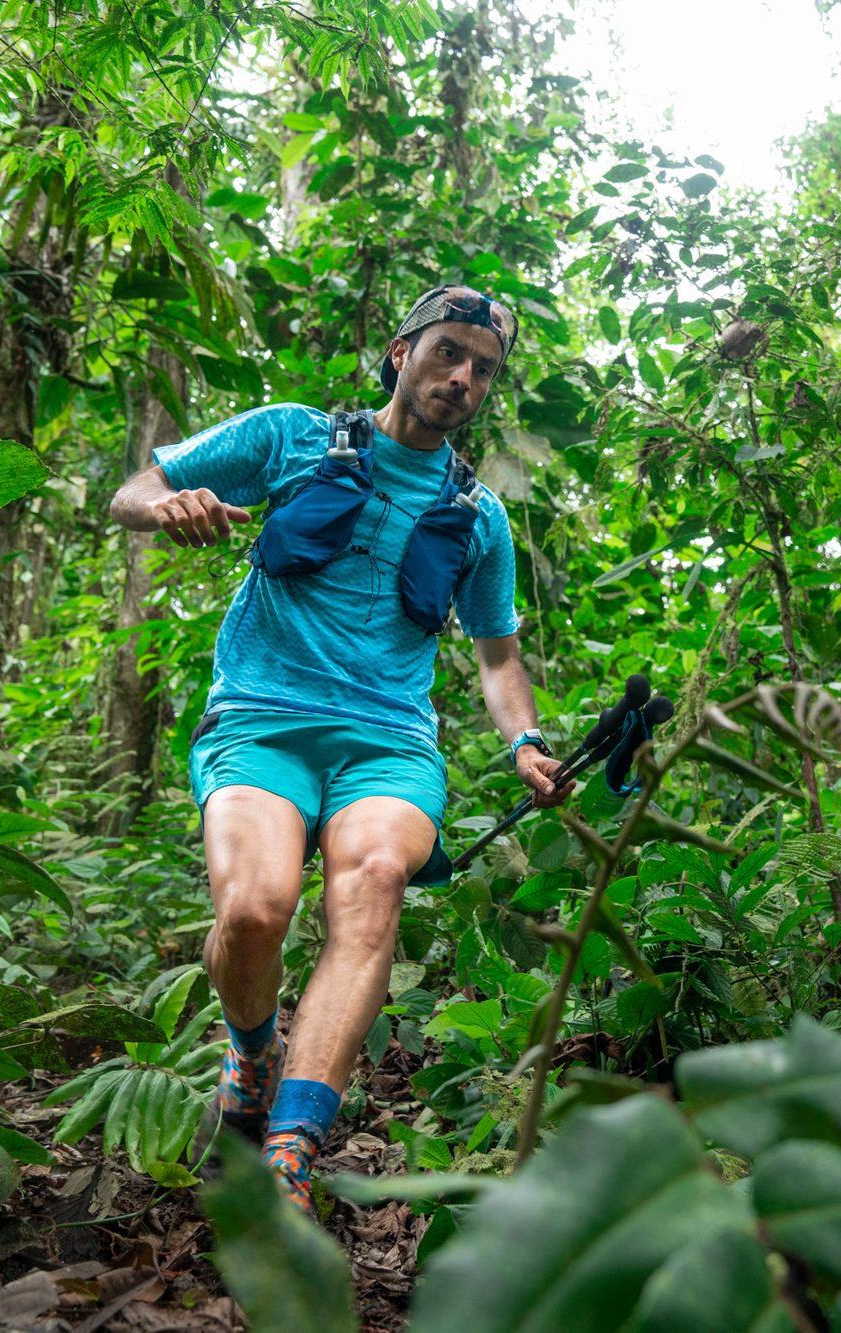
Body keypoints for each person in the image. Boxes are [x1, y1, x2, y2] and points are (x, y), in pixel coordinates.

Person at [107, 285, 572, 1211]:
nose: (463, 379)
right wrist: (168, 508)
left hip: (388, 743)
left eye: (482, 370)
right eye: (448, 353)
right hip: (259, 719)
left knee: (373, 886)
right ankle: (252, 1050)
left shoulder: (479, 518)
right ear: (402, 353)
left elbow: (499, 656)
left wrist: (525, 738)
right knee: (253, 909)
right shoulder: (291, 438)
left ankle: (291, 1144)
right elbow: (134, 489)